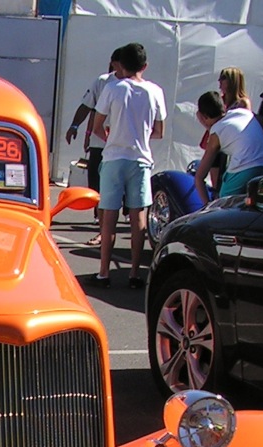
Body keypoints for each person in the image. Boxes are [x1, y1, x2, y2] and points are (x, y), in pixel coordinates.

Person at [90, 42, 166, 289]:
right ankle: (134, 273)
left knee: (108, 215)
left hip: (113, 157)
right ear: (145, 66)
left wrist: (111, 136)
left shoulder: (113, 89)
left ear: (121, 65)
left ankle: (104, 272)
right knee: (138, 217)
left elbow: (97, 125)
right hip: (141, 159)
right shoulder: (155, 91)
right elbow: (158, 131)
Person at [65, 48, 124, 247]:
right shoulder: (103, 82)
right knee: (97, 187)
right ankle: (101, 228)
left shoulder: (139, 88)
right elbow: (87, 106)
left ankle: (114, 230)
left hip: (123, 148)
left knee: (117, 189)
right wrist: (76, 126)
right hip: (101, 144)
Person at [193, 90, 263, 205]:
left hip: (243, 168)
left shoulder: (216, 132)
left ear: (204, 116)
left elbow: (199, 177)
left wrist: (207, 207)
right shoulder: (244, 113)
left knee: (222, 207)